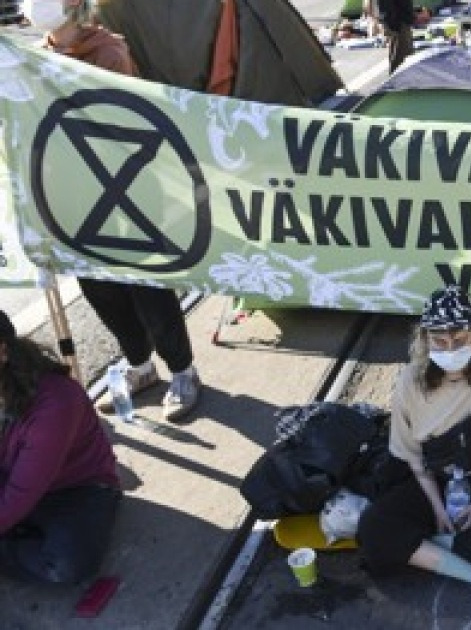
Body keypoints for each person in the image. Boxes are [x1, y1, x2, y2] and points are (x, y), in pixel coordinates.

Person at [33, 0, 202, 424]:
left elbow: (120, 124)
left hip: (128, 187)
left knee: (146, 284)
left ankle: (183, 370)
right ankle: (139, 364)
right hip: (72, 194)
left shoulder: (109, 53)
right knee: (99, 286)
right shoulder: (33, 58)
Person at [357, 285, 471, 610]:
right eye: (439, 342)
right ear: (424, 339)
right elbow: (413, 456)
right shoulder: (410, 382)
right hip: (434, 474)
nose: (449, 349)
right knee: (373, 530)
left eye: (459, 340)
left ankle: (422, 548)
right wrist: (437, 507)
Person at [0, 310, 121, 584]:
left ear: (3, 350)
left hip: (74, 489)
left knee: (67, 563)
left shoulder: (55, 404)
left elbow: (18, 494)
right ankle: (18, 532)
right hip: (13, 476)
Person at [370, 0, 415, 73]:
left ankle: (400, 75)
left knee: (405, 53)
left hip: (401, 20)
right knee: (400, 55)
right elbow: (385, 6)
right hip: (398, 22)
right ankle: (396, 76)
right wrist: (393, 23)